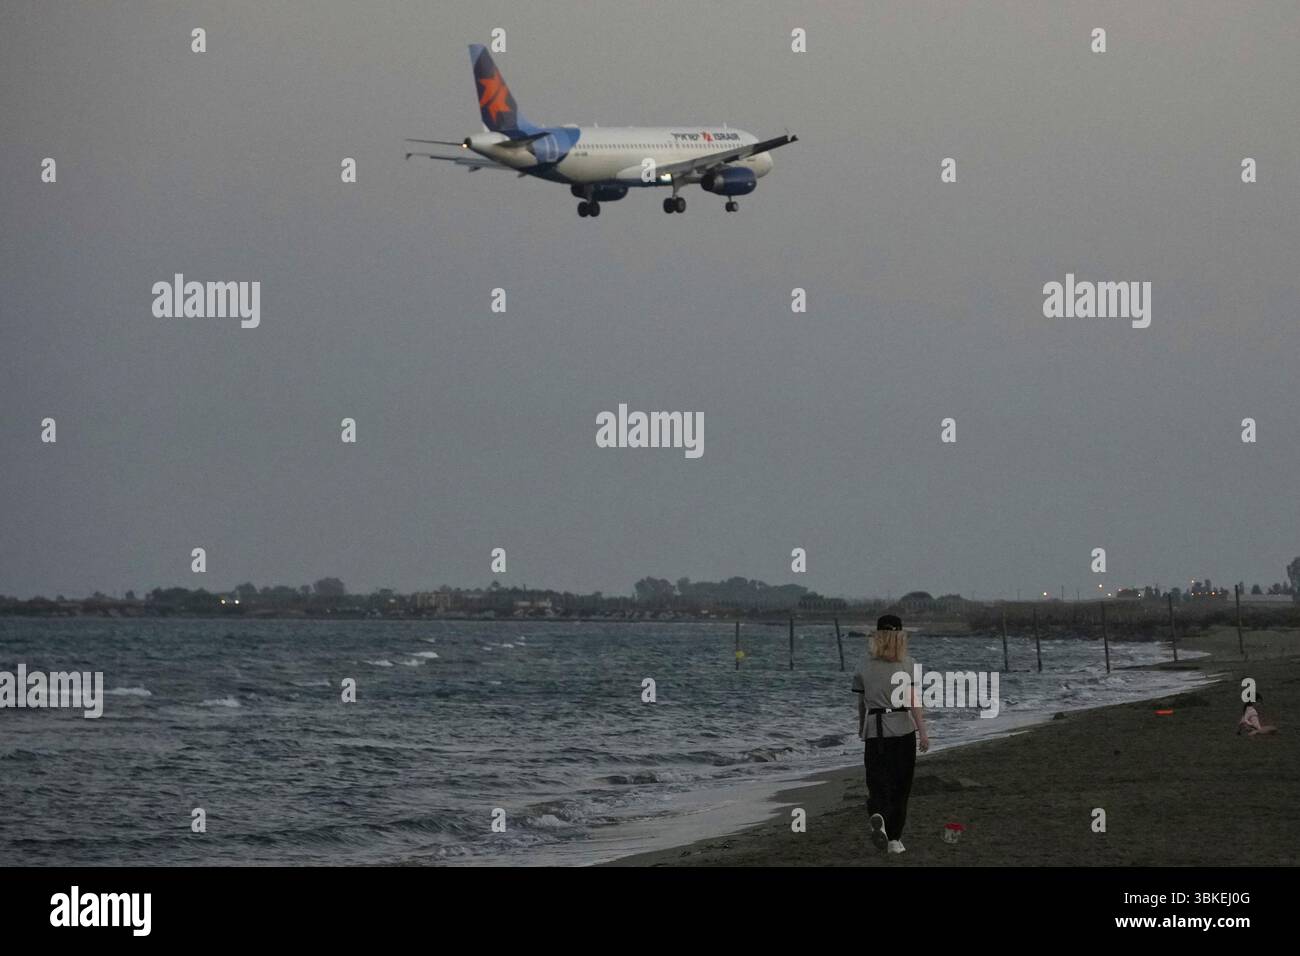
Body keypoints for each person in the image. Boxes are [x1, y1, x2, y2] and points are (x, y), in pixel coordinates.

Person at [852, 614, 929, 855]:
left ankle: (878, 813)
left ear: (876, 636)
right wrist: (923, 732)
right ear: (900, 636)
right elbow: (913, 702)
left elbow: (862, 702)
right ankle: (895, 838)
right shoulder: (909, 664)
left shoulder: (863, 665)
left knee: (877, 781)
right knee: (901, 785)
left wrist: (861, 726)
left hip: (875, 730)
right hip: (903, 729)